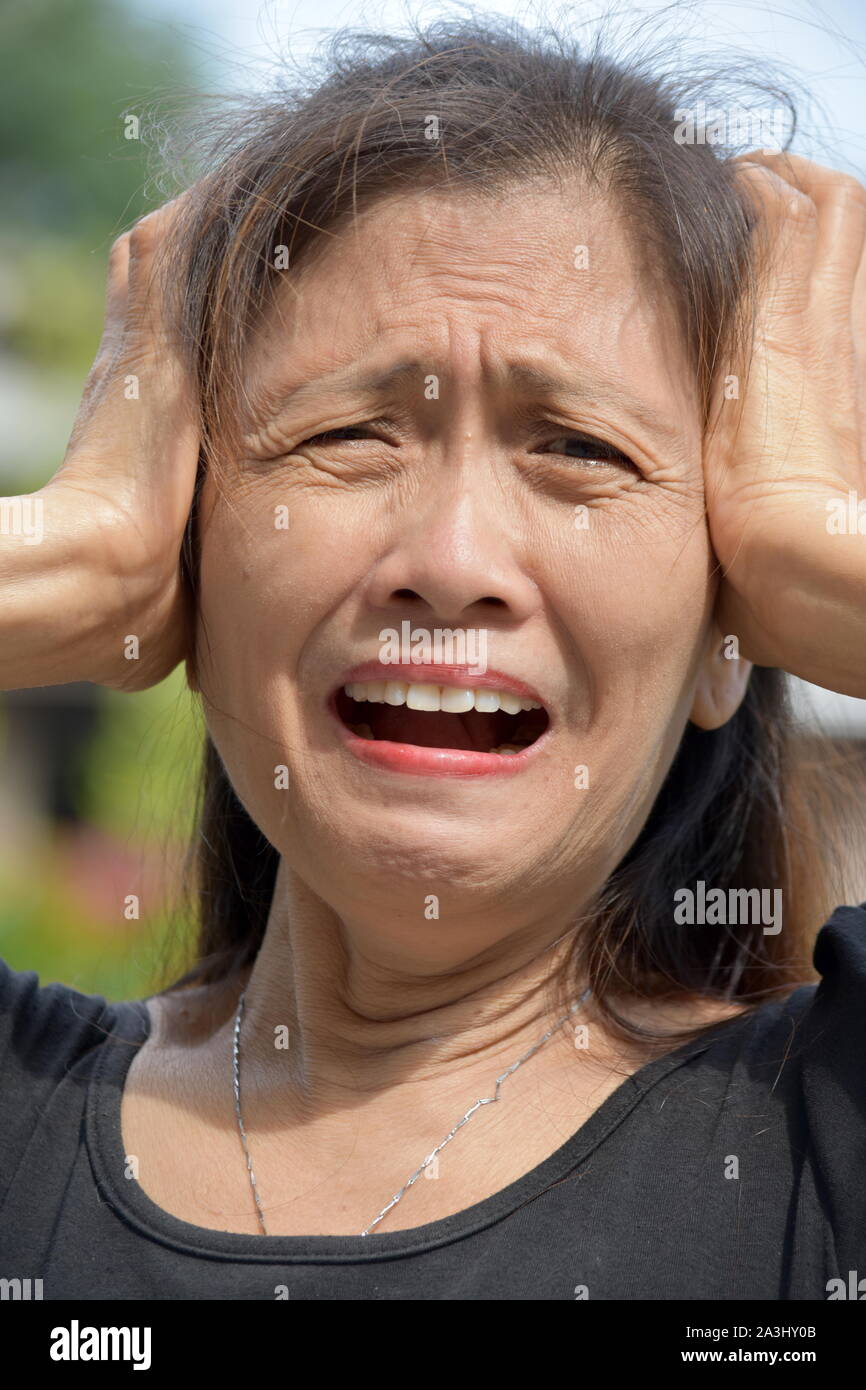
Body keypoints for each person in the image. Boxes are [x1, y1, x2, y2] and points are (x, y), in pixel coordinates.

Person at [2, 17, 866, 1300]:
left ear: (726, 639)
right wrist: (67, 561)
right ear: (186, 566)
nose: (450, 556)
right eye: (349, 432)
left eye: (577, 449)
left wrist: (814, 535)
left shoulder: (819, 1149)